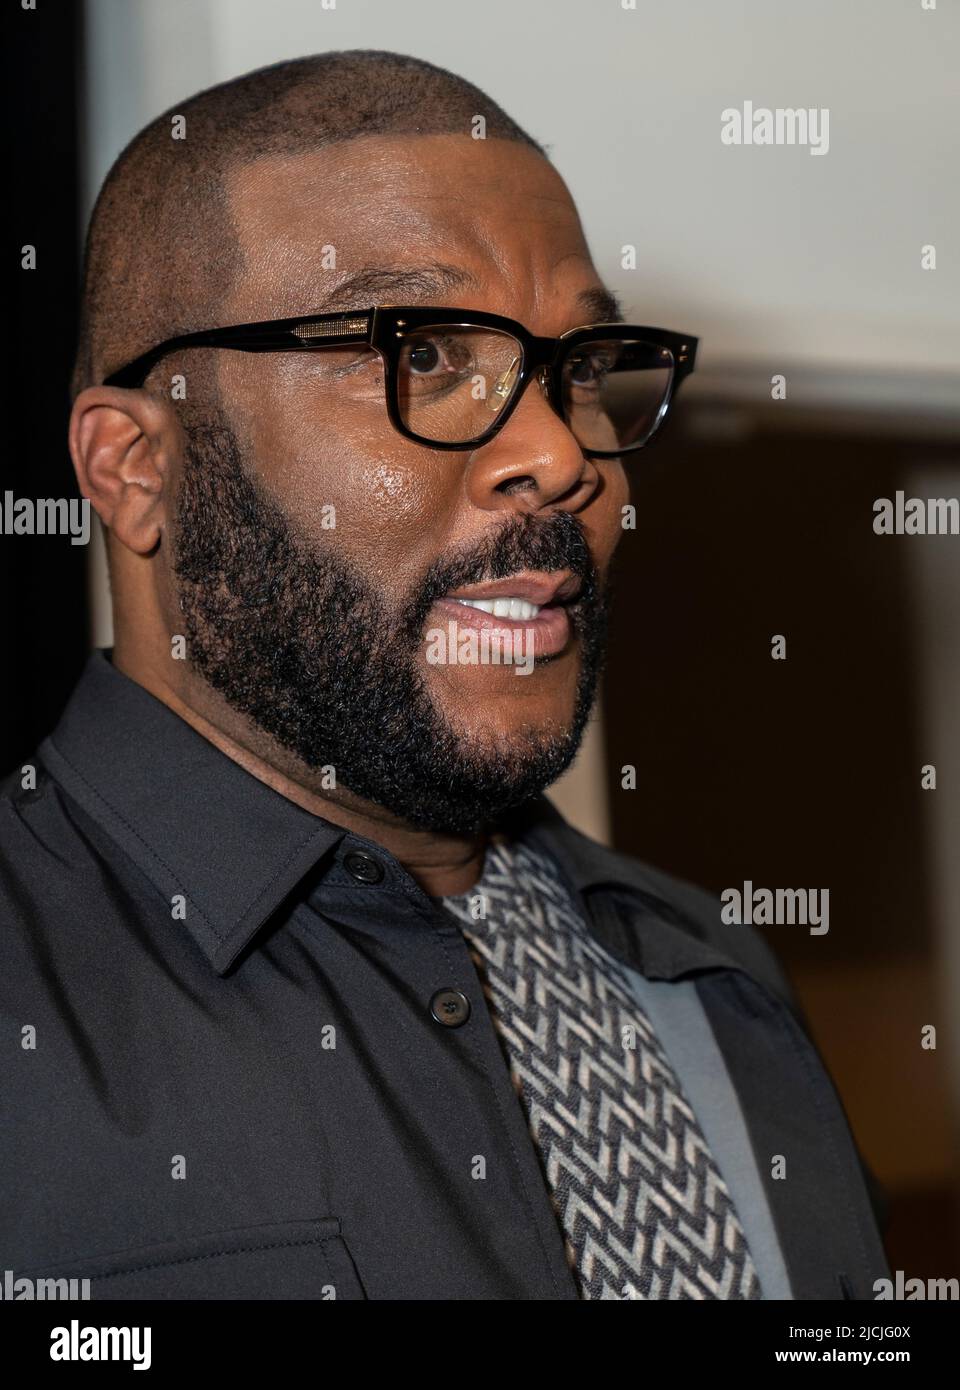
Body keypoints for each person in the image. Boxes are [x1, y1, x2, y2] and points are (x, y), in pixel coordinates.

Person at [0, 49, 888, 1300]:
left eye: (578, 368)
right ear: (136, 468)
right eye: (421, 356)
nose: (559, 453)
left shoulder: (705, 973)